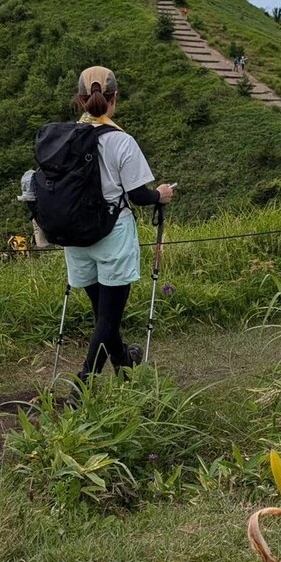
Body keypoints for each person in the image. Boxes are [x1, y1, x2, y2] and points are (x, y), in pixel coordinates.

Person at [64, 66, 174, 386]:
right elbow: (139, 195)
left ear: (80, 100)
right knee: (109, 319)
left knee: (103, 316)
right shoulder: (121, 140)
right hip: (113, 234)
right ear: (114, 99)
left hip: (76, 236)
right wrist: (160, 195)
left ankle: (125, 363)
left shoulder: (65, 138)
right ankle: (84, 382)